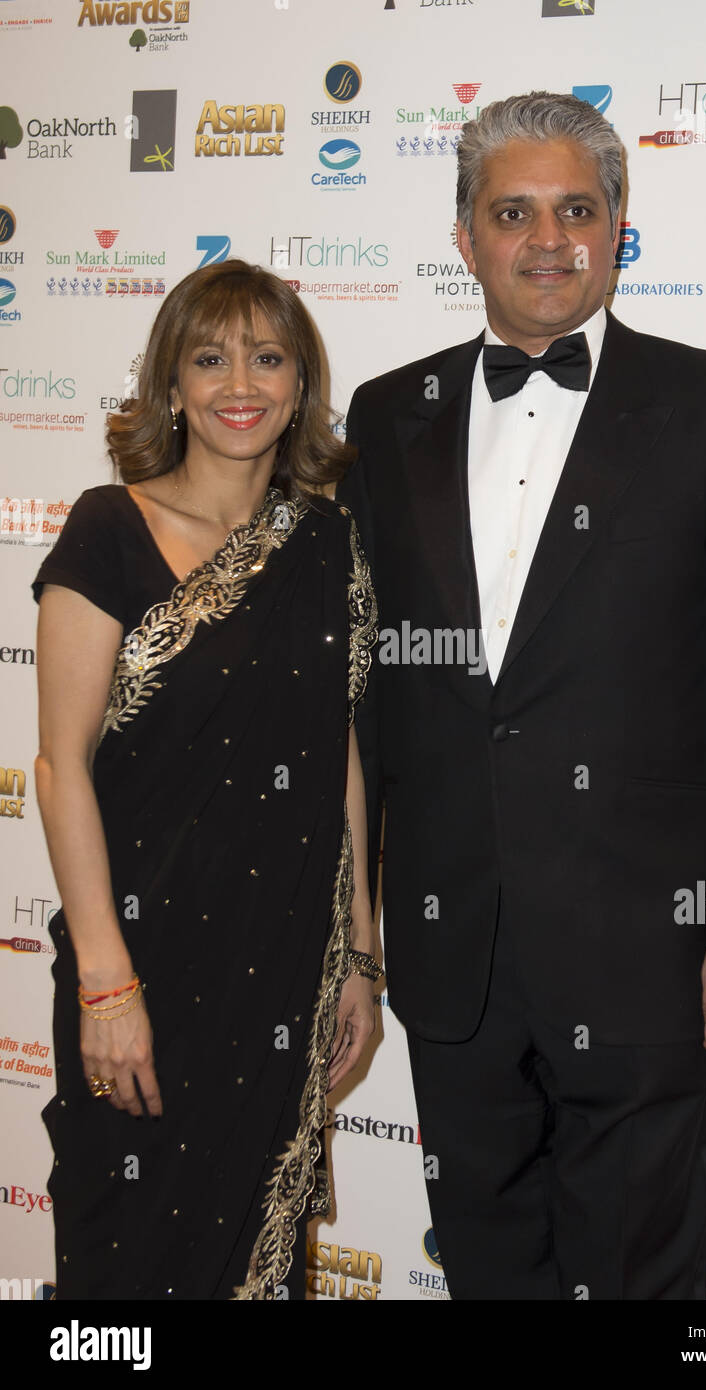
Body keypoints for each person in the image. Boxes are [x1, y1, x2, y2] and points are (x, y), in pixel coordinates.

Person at [340, 93, 706, 1300]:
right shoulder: (386, 413)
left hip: (653, 955)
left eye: (576, 209)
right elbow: (359, 703)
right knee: (489, 1273)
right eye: (512, 212)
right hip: (454, 955)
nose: (546, 239)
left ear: (617, 228)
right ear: (464, 236)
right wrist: (352, 935)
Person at [33, 259, 379, 1301]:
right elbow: (59, 769)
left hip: (278, 964)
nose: (242, 381)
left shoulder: (327, 544)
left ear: (299, 382)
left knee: (255, 1253)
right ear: (170, 384)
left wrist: (359, 951)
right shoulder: (109, 527)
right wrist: (106, 983)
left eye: (268, 357)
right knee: (125, 1248)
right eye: (211, 356)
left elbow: (344, 754)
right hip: (138, 958)